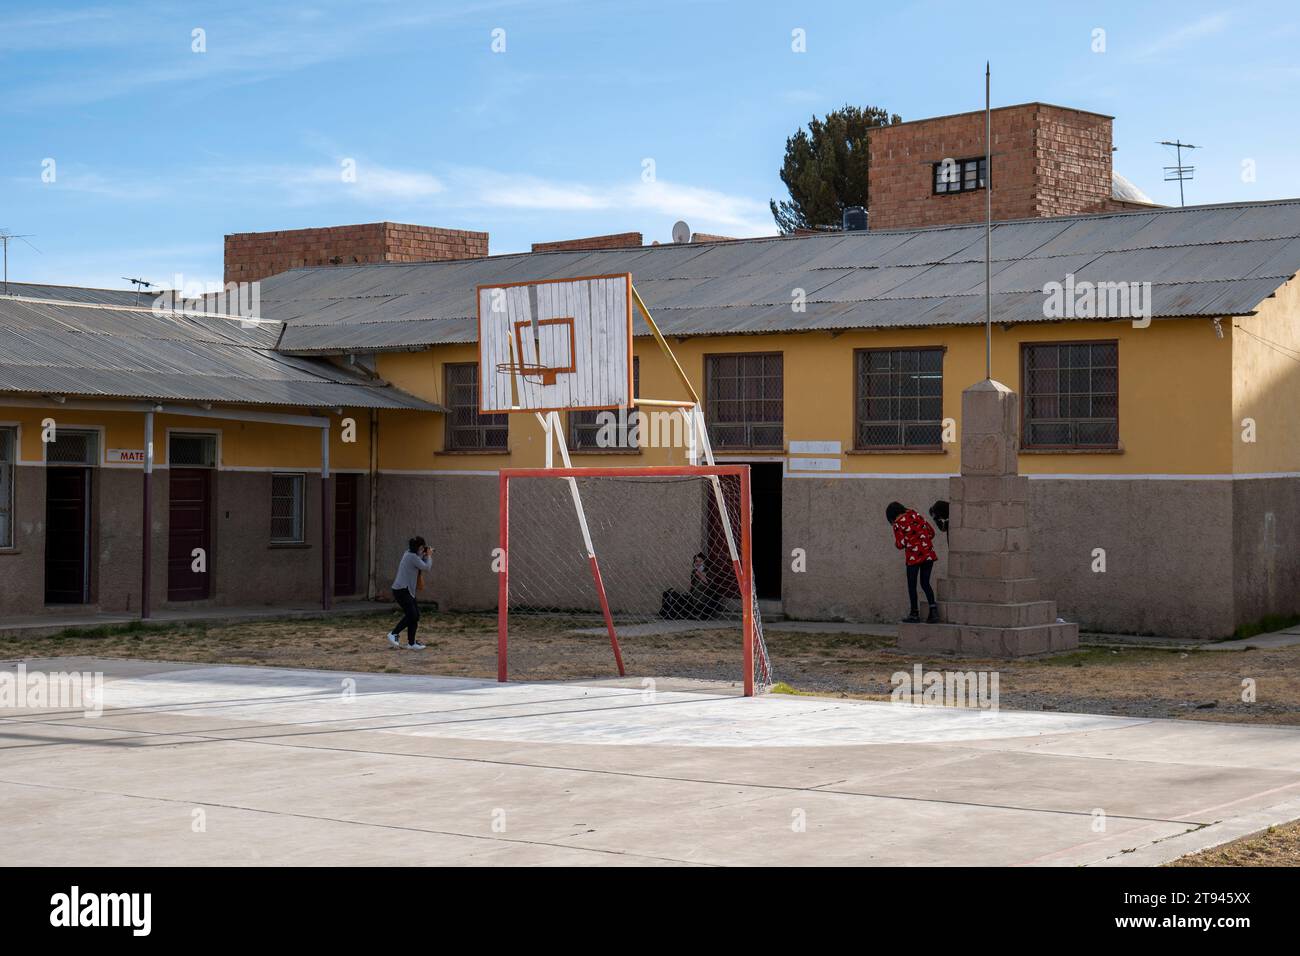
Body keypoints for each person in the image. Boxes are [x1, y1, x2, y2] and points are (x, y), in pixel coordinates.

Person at [886, 501, 938, 624]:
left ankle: (914, 614)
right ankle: (933, 611)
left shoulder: (898, 524)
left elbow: (900, 544)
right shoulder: (916, 515)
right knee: (925, 583)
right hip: (928, 555)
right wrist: (921, 539)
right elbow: (931, 533)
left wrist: (899, 543)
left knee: (912, 586)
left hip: (913, 558)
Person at [387, 536, 432, 649]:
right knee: (412, 615)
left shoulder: (408, 553)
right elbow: (426, 567)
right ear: (419, 547)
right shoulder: (412, 557)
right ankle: (393, 634)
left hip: (406, 590)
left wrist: (424, 554)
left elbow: (419, 559)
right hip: (402, 590)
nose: (423, 549)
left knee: (415, 616)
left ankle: (411, 643)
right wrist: (429, 555)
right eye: (422, 548)